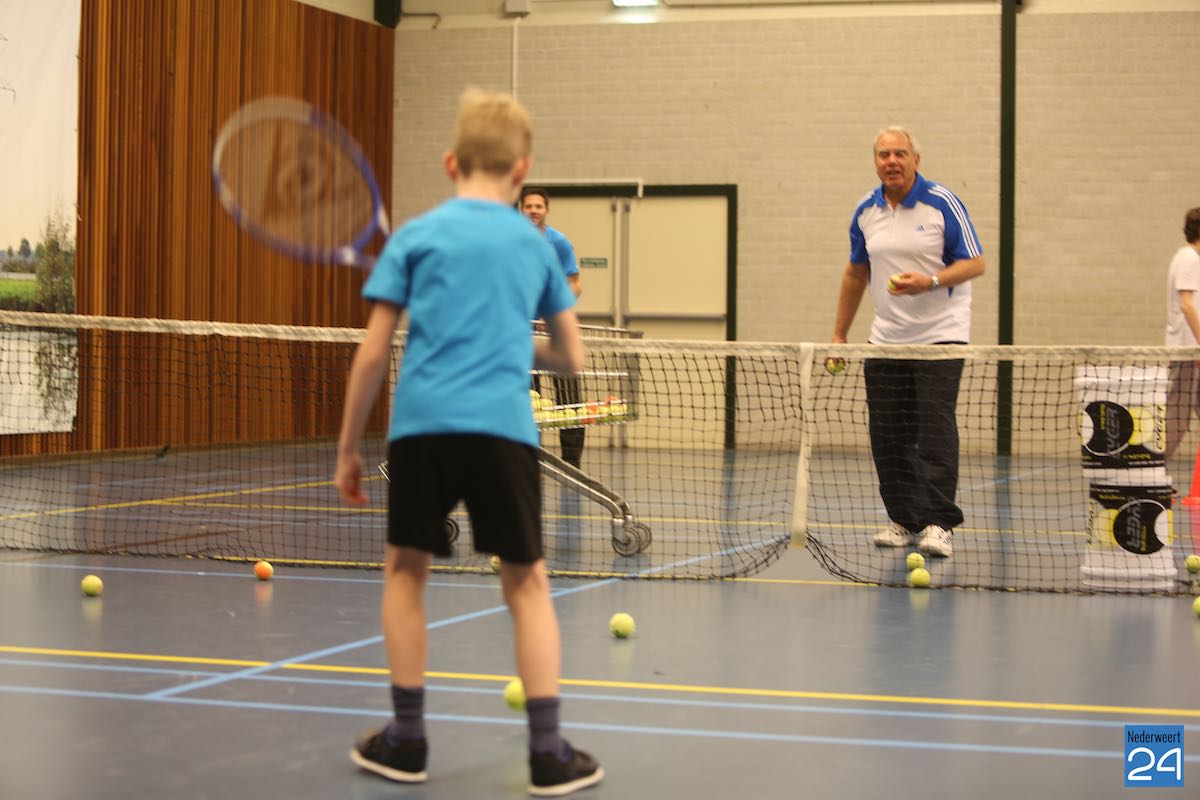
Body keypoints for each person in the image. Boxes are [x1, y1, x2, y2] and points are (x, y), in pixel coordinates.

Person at [334, 88, 603, 797]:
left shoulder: (416, 237)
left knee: (405, 574)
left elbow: (370, 356)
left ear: (451, 161)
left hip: (422, 429)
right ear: (523, 171)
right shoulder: (536, 244)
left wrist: (346, 448)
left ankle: (406, 741)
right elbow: (572, 358)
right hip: (502, 432)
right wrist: (514, 343)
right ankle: (548, 754)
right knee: (528, 583)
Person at [830, 126, 985, 559]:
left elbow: (976, 262)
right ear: (875, 161)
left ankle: (939, 524)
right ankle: (904, 518)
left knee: (935, 431)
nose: (892, 161)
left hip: (941, 335)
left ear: (916, 158)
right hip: (887, 340)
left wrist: (931, 281)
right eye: (884, 154)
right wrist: (840, 334)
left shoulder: (942, 203)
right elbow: (855, 272)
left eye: (900, 153)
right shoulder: (866, 210)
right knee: (889, 434)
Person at [520, 186, 587, 469]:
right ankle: (527, 457)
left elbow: (575, 283)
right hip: (522, 334)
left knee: (568, 398)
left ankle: (571, 462)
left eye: (538, 206)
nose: (534, 210)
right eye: (528, 206)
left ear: (546, 210)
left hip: (555, 334)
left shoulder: (558, 242)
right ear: (521, 209)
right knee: (526, 402)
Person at [1164, 207, 1200, 461]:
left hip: (1192, 350)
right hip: (1187, 350)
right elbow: (1187, 303)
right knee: (1178, 414)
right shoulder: (1189, 258)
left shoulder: (1188, 257)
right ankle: (1152, 472)